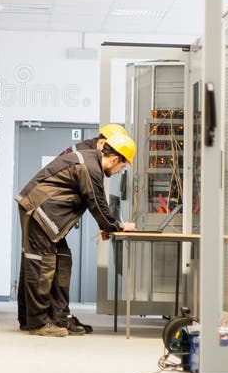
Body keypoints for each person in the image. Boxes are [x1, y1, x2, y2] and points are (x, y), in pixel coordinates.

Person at [15, 129, 137, 337]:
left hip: (46, 213)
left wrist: (106, 225)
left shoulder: (90, 161)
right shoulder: (90, 167)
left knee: (60, 260)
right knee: (42, 262)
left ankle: (54, 317)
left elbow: (93, 203)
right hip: (40, 210)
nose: (119, 173)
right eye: (121, 167)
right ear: (115, 158)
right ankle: (38, 323)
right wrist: (117, 225)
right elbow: (97, 203)